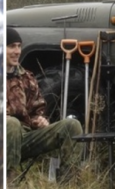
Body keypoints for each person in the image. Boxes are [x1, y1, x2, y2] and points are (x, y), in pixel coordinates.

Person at [6, 26, 82, 175]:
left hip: (24, 139)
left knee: (71, 126)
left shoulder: (26, 78)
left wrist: (39, 120)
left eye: (19, 46)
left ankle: (68, 184)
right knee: (11, 123)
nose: (17, 51)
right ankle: (9, 185)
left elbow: (36, 110)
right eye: (11, 46)